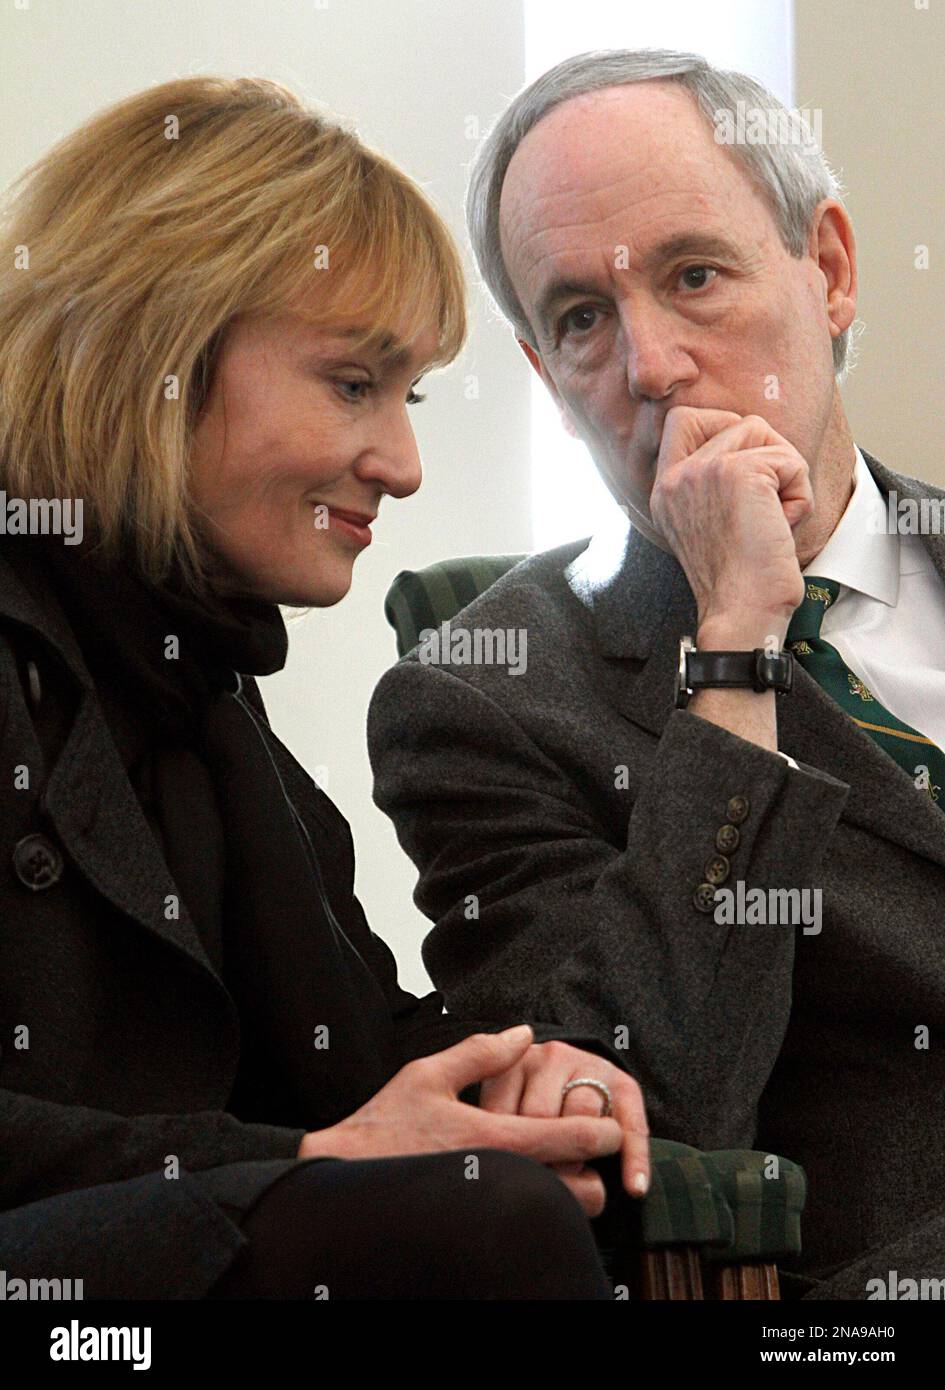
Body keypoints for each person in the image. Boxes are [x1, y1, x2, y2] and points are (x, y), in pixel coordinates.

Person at [0, 75, 651, 1301]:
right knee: (480, 1227)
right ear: (156, 354)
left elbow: (354, 1057)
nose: (401, 466)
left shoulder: (203, 685)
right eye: (355, 384)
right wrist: (303, 1158)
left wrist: (529, 1079)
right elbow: (329, 1135)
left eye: (407, 397)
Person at [367, 49, 945, 1299]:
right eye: (581, 318)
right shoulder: (483, 703)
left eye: (695, 275)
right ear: (545, 375)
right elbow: (628, 1114)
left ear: (832, 271)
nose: (652, 366)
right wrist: (733, 644)